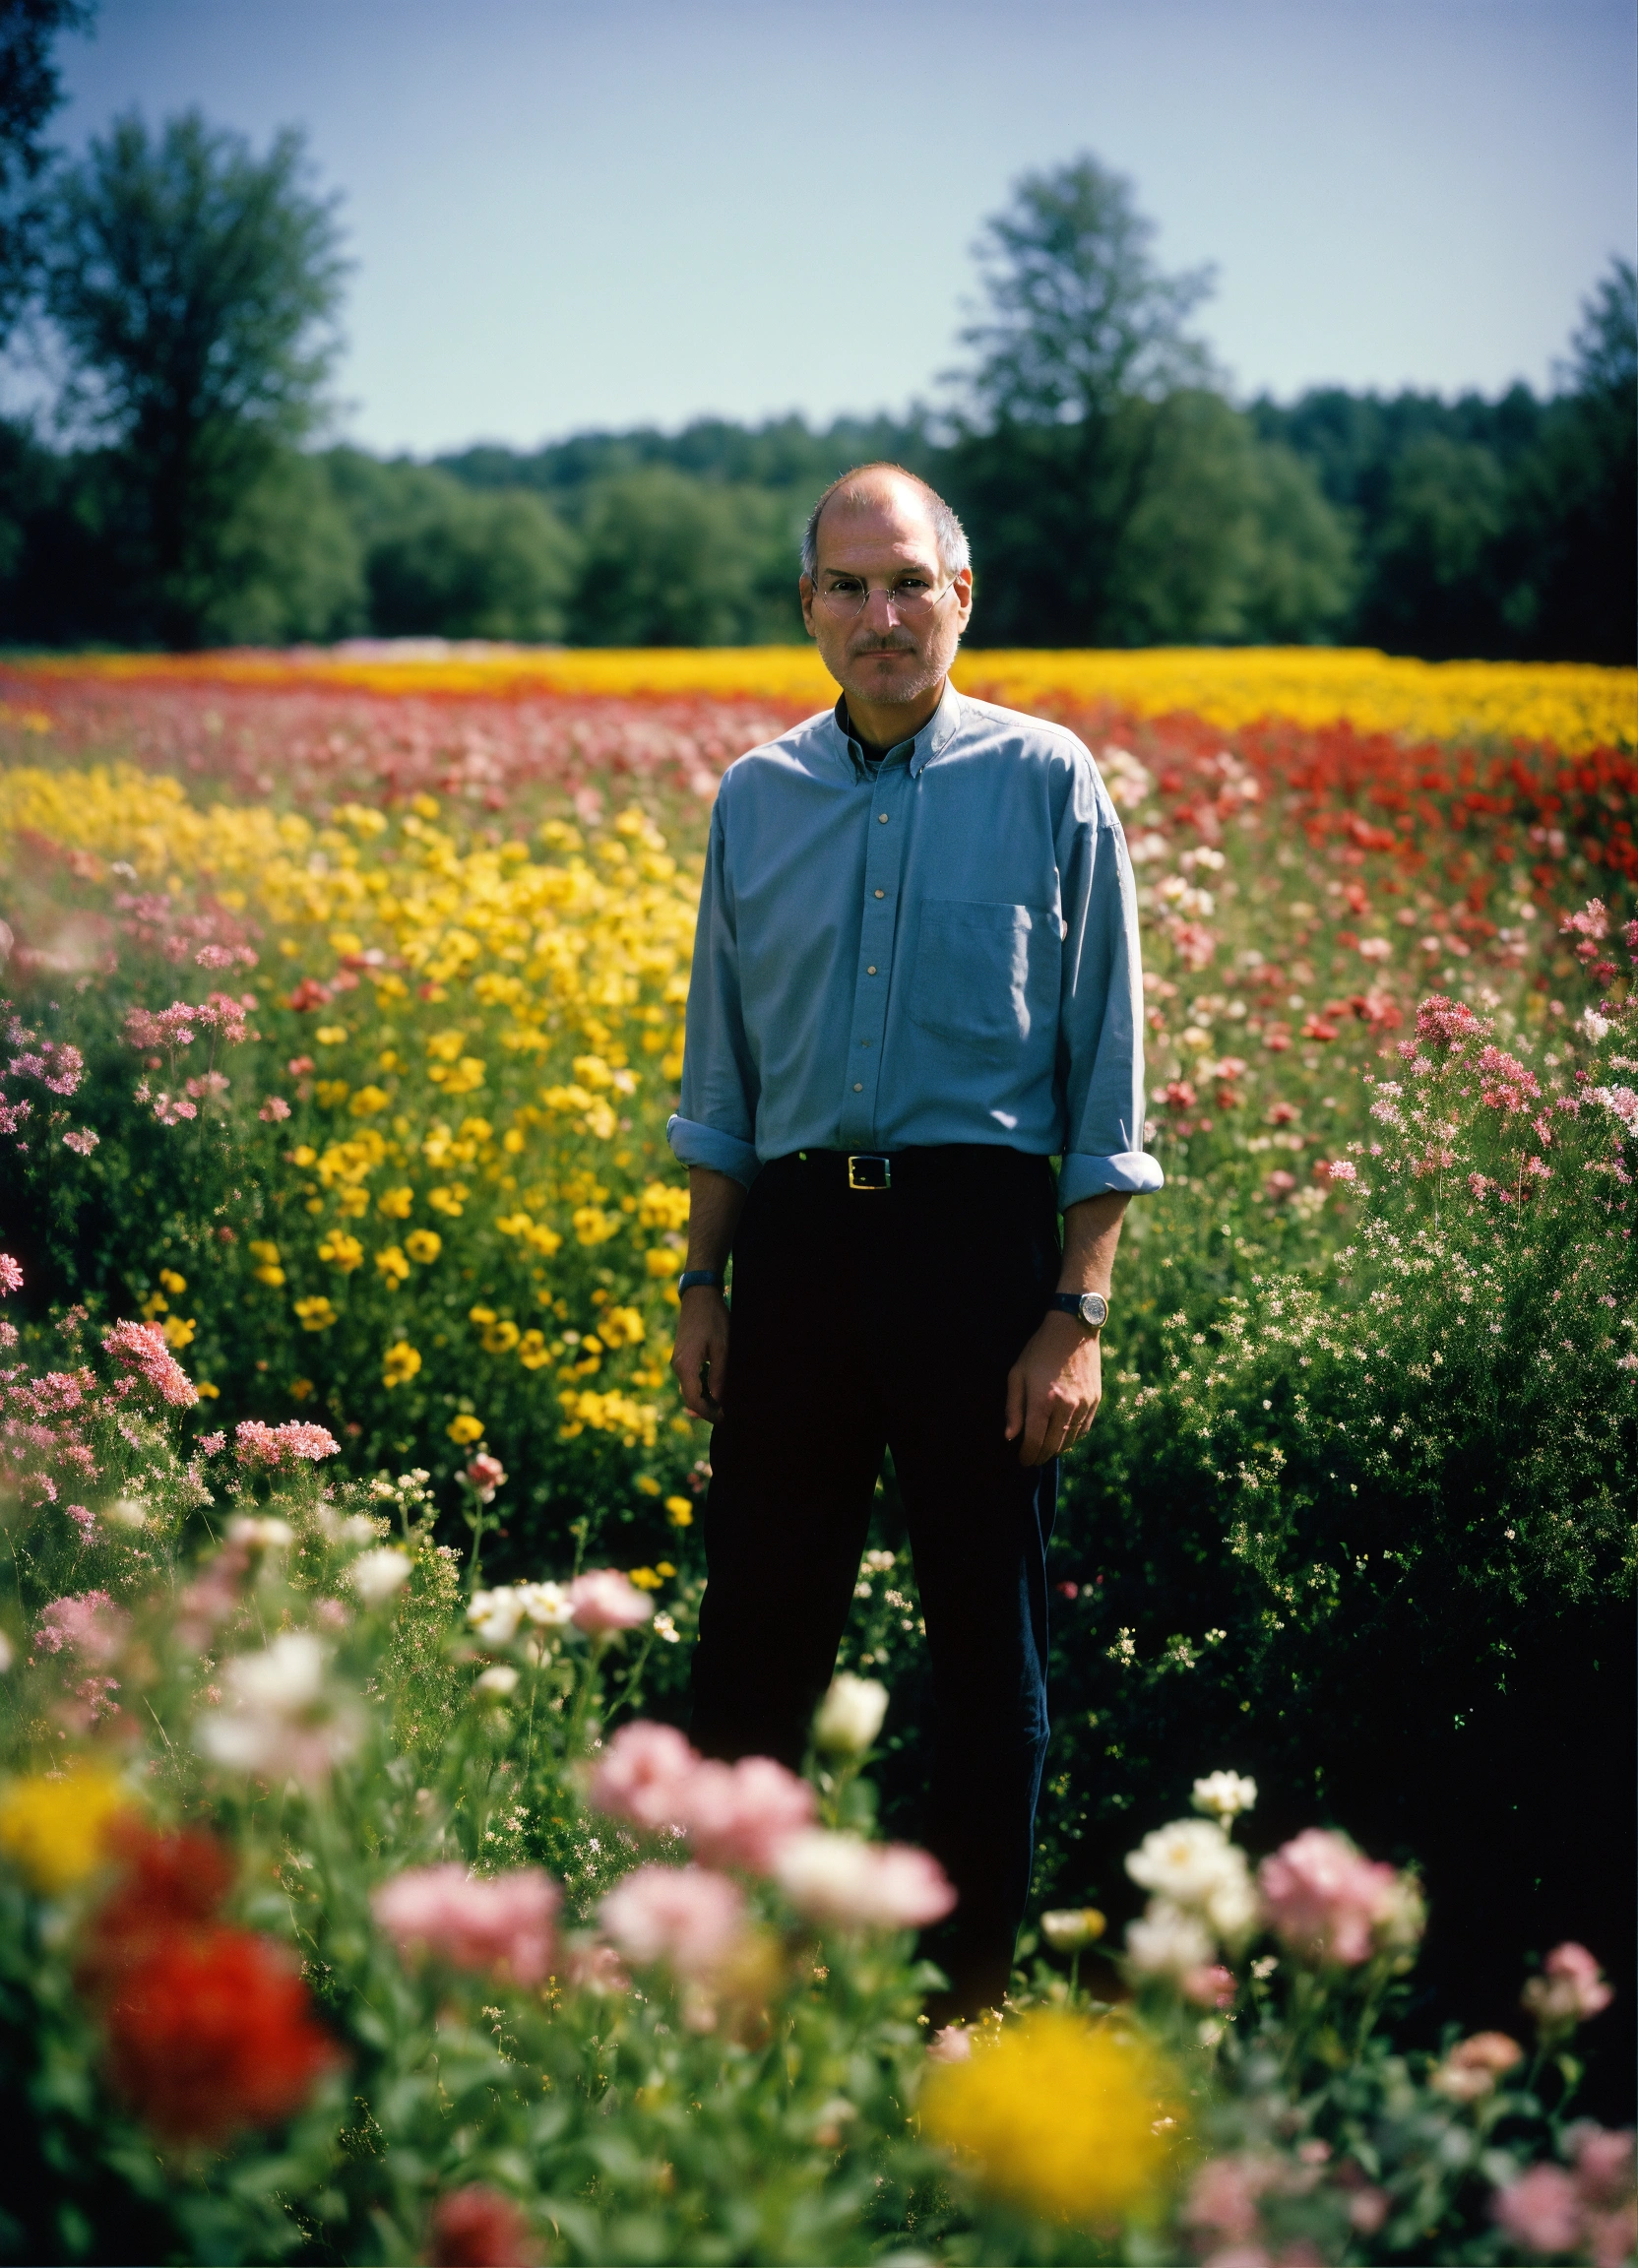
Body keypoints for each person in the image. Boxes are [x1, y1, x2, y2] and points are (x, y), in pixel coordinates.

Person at [666, 463, 1160, 2017]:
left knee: (985, 1651)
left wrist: (1075, 1310)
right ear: (807, 609)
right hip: (798, 1256)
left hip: (980, 1257)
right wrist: (702, 1282)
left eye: (908, 583)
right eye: (848, 587)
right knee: (754, 1636)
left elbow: (1107, 1066)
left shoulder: (1048, 780)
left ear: (963, 596)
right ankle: (731, 1983)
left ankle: (963, 2006)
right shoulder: (758, 795)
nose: (881, 616)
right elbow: (722, 1073)